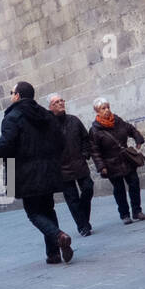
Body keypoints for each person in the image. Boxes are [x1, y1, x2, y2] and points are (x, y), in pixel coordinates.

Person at [0, 81, 74, 264]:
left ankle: (59, 235)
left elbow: (6, 144)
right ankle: (53, 254)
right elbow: (60, 141)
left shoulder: (12, 116)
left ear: (18, 96)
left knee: (33, 213)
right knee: (48, 209)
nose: (11, 95)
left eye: (11, 92)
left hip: (24, 173)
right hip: (48, 170)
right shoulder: (45, 114)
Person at [88, 98, 145, 224]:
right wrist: (101, 167)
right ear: (97, 111)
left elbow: (130, 129)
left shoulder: (117, 120)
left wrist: (138, 139)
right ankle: (124, 214)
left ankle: (137, 211)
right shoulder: (95, 130)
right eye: (103, 108)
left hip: (126, 159)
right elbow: (95, 151)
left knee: (134, 183)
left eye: (108, 107)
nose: (107, 110)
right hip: (111, 163)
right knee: (119, 189)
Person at [48, 94, 94, 236]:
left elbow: (85, 138)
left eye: (62, 100)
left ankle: (83, 219)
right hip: (62, 169)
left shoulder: (74, 120)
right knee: (72, 199)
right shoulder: (48, 125)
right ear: (50, 107)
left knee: (88, 188)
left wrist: (85, 154)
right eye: (56, 102)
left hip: (79, 163)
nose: (61, 103)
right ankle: (83, 226)